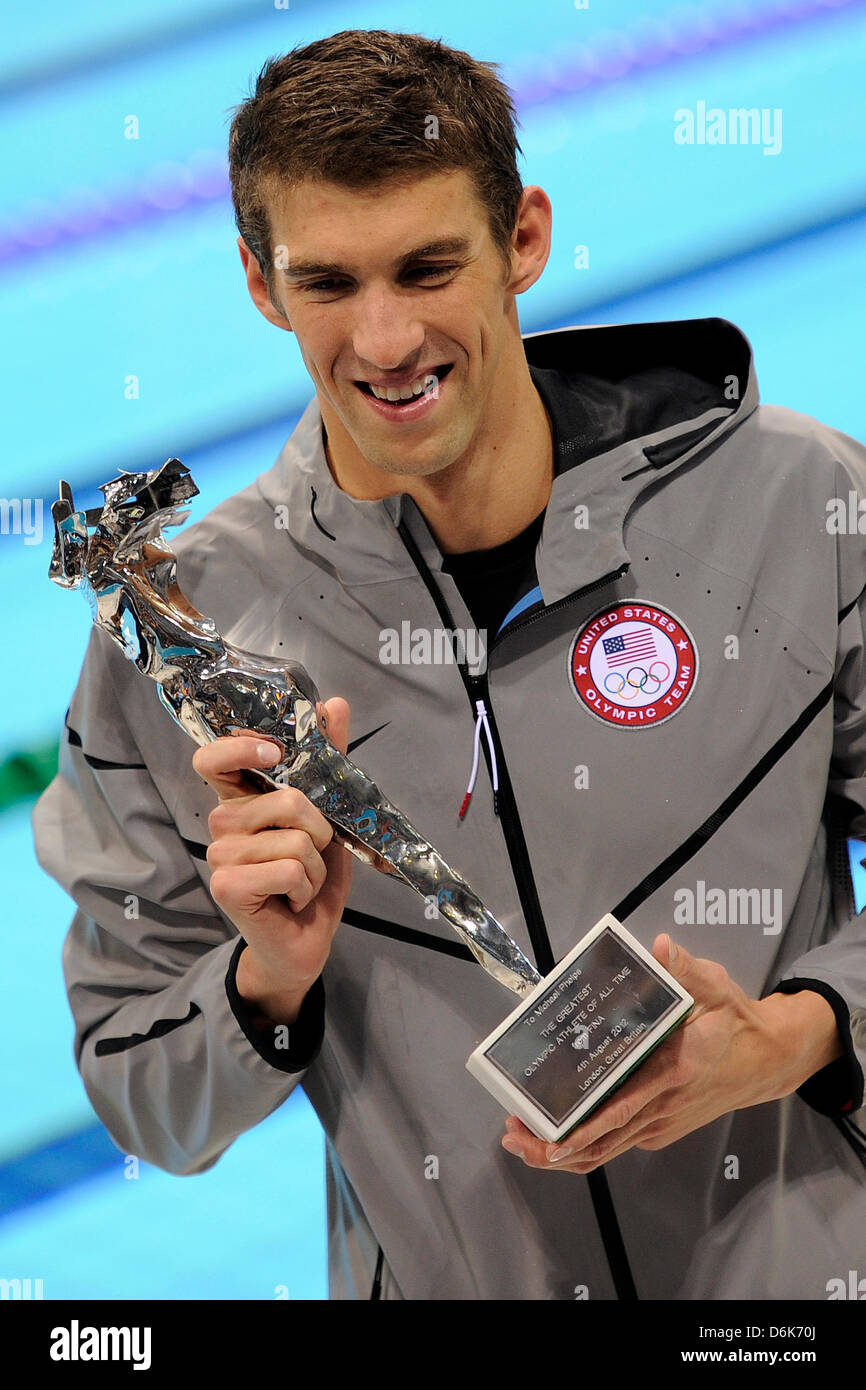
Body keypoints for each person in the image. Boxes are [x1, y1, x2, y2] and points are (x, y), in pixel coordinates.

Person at [34, 29, 866, 1300]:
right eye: (328, 284)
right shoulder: (185, 639)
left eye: (428, 269)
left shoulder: (798, 507)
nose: (383, 341)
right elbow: (148, 1105)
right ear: (260, 282)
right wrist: (268, 981)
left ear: (523, 238)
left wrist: (798, 1033)